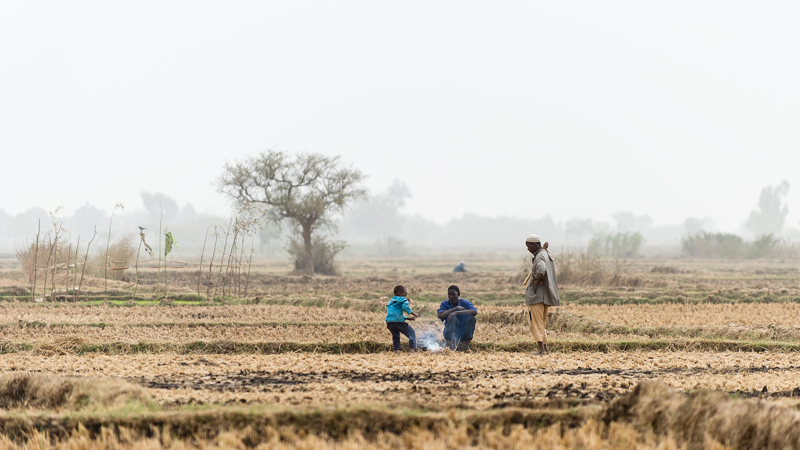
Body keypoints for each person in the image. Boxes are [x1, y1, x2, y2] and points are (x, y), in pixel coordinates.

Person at [523, 234, 560, 356]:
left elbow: (541, 269)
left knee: (535, 323)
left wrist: (535, 277)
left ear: (534, 245)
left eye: (529, 247)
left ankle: (540, 349)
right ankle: (545, 348)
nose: (528, 249)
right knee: (542, 322)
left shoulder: (539, 257)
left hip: (537, 294)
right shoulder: (546, 254)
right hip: (546, 295)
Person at [436, 285, 478, 351]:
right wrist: (455, 309)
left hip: (463, 333)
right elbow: (440, 315)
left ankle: (467, 345)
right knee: (453, 318)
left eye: (453, 294)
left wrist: (457, 312)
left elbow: (474, 311)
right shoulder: (445, 304)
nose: (451, 297)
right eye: (449, 294)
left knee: (471, 318)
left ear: (458, 294)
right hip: (449, 334)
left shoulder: (464, 302)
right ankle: (453, 344)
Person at [386, 285, 418, 352]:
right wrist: (413, 313)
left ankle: (396, 352)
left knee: (396, 336)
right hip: (398, 322)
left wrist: (408, 318)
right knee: (411, 333)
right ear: (400, 293)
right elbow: (405, 307)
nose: (405, 296)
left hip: (389, 323)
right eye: (405, 294)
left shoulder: (390, 301)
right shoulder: (403, 299)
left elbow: (395, 314)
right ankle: (412, 351)